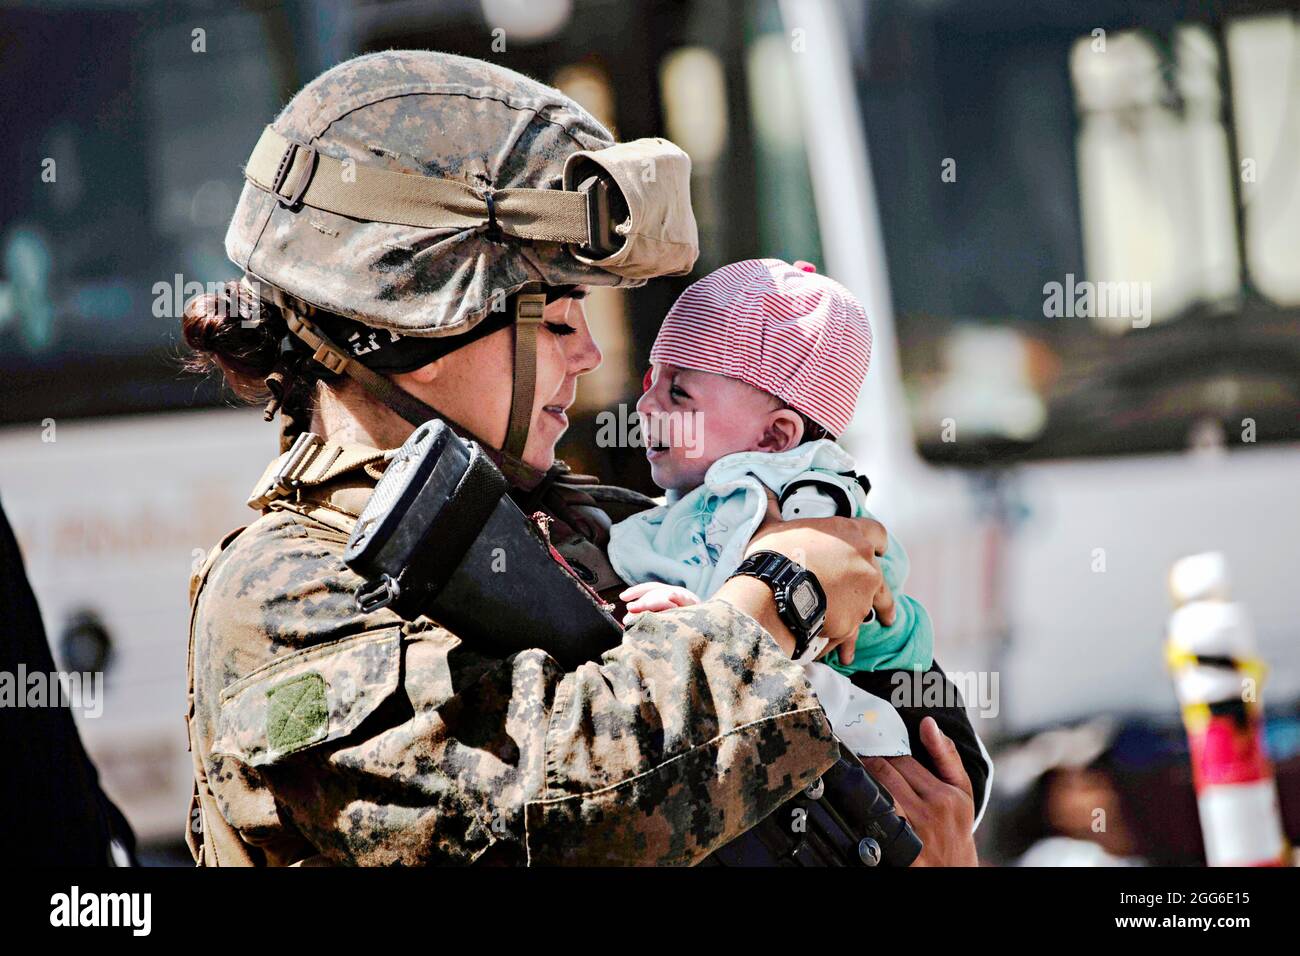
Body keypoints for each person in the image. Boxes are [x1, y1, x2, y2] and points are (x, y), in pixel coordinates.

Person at [181, 49, 977, 866]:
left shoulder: (601, 526)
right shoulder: (286, 591)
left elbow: (917, 760)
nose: (591, 354)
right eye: (556, 320)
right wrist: (775, 599)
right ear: (414, 329)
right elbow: (549, 818)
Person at [609, 258, 992, 824]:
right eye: (650, 381)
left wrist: (704, 616)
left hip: (894, 707)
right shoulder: (702, 499)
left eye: (679, 392)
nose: (646, 406)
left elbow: (801, 612)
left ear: (775, 435)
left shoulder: (801, 500)